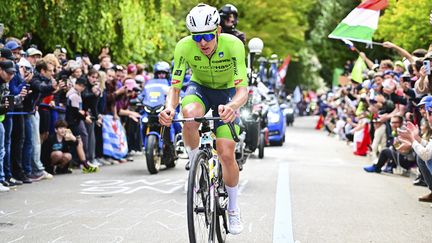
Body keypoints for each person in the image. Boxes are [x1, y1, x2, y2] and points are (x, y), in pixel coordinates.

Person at [159, 3, 248, 235]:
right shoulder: (184, 47)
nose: (203, 43)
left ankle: (233, 208)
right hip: (199, 88)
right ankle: (195, 165)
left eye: (208, 36)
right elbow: (175, 88)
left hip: (228, 92)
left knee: (226, 152)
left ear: (218, 30)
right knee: (188, 115)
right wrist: (169, 109)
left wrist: (232, 106)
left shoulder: (234, 45)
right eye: (197, 37)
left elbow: (243, 91)